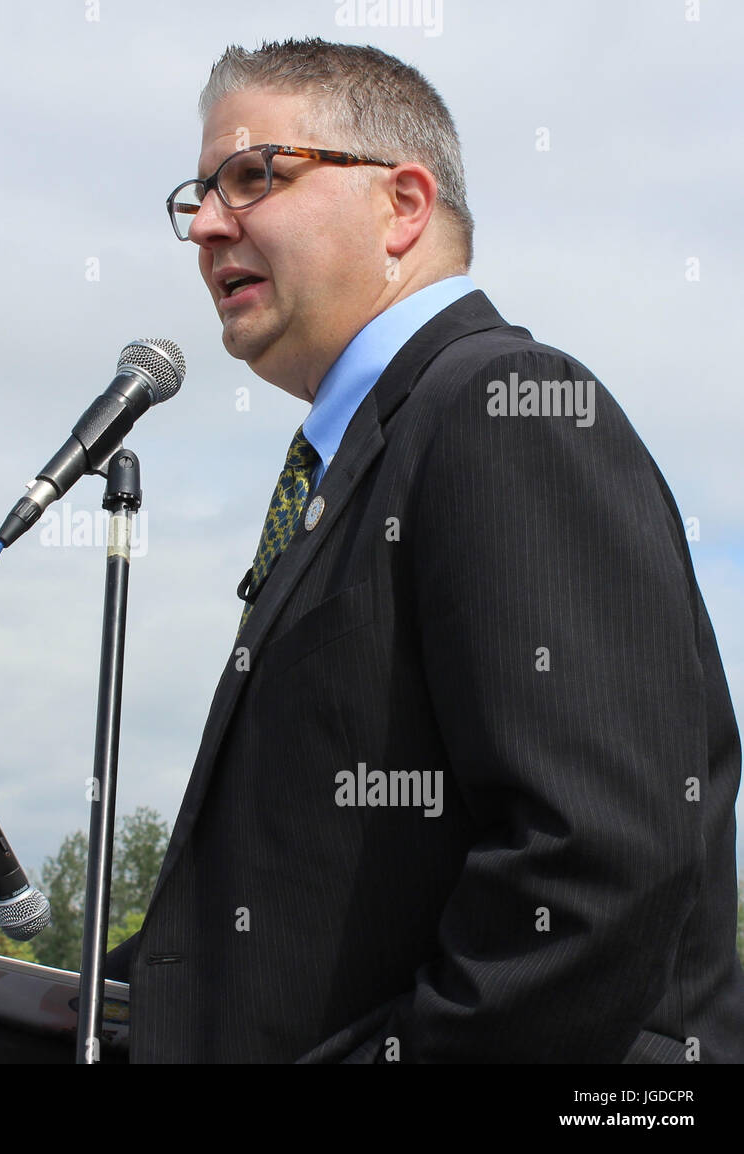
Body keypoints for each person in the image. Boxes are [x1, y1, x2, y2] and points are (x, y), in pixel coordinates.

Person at [105, 37, 744, 1063]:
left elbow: (595, 861)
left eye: (252, 175)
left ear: (401, 205)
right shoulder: (366, 455)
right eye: (199, 195)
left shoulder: (507, 407)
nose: (210, 224)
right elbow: (315, 895)